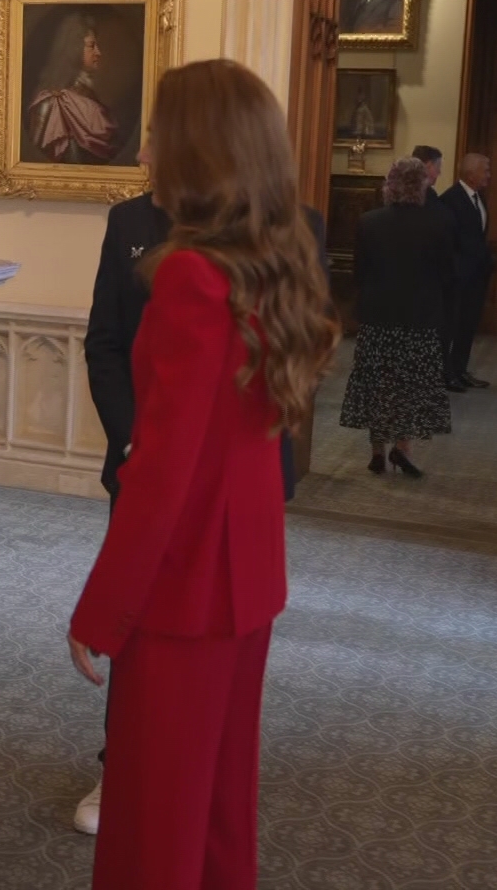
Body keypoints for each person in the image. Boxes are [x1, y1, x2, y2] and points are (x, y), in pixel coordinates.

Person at [68, 59, 340, 890]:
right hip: (245, 575)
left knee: (157, 817)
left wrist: (101, 609)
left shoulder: (192, 274)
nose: (144, 153)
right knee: (218, 801)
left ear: (200, 149)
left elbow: (163, 475)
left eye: (158, 134)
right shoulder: (275, 261)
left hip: (185, 585)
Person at [338, 157, 453, 478]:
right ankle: (403, 448)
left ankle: (377, 451)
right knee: (410, 384)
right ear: (422, 185)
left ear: (389, 184)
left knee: (378, 381)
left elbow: (359, 272)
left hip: (378, 315)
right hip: (419, 317)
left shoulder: (369, 221)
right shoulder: (438, 223)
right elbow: (447, 274)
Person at [27, 13, 119, 164]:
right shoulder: (52, 104)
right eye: (91, 46)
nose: (98, 53)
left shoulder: (92, 98)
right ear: (74, 48)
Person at [438, 153, 495, 391]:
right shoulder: (450, 199)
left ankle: (460, 369)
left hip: (476, 277)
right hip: (457, 277)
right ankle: (445, 373)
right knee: (451, 325)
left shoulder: (479, 197)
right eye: (485, 170)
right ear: (471, 174)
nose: (489, 175)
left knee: (468, 325)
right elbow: (450, 240)